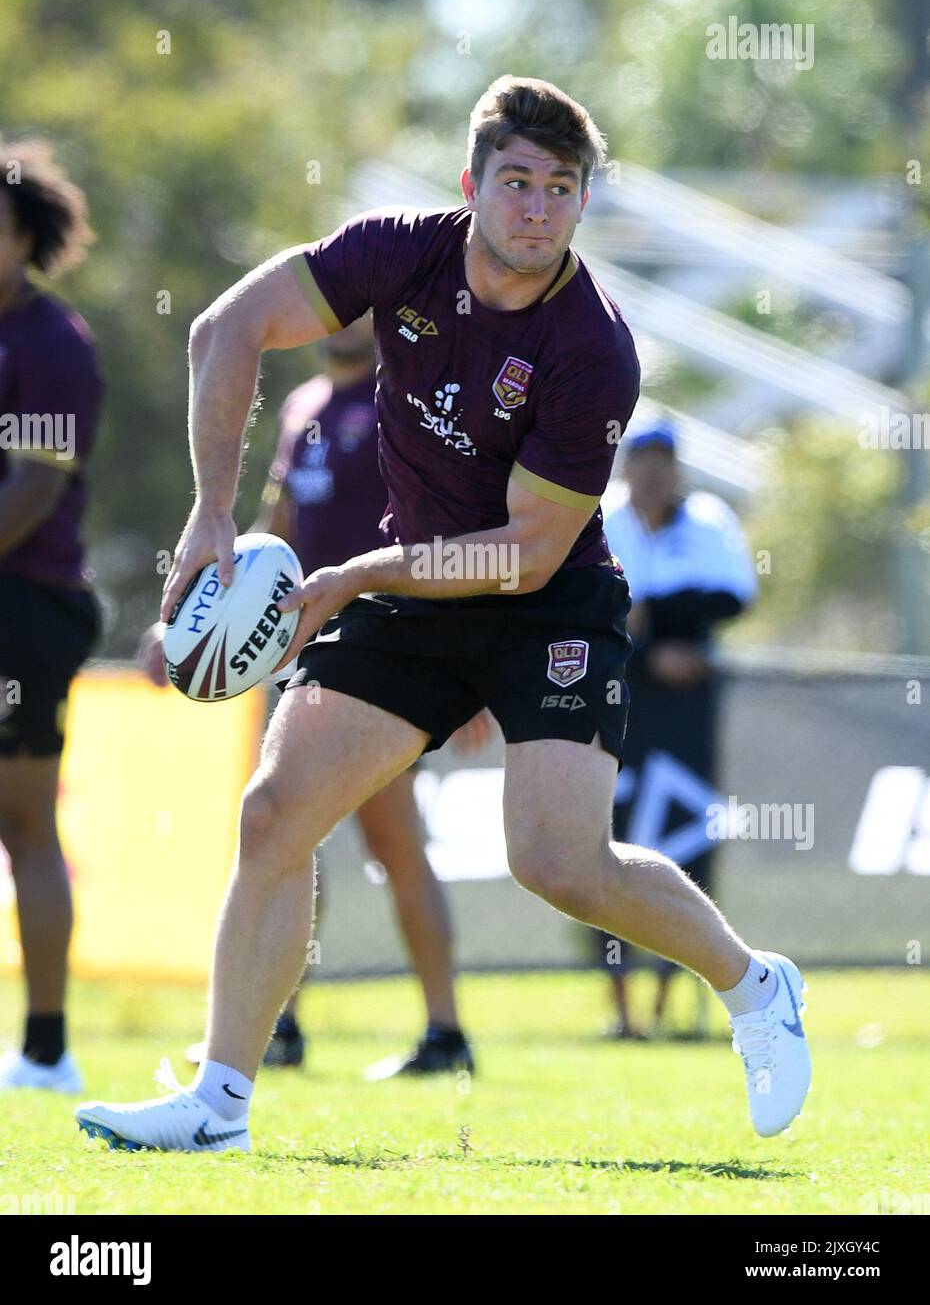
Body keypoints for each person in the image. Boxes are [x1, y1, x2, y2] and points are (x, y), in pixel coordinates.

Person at [75, 76, 810, 1152]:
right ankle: (217, 1104)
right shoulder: (400, 252)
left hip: (546, 604)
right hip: (413, 593)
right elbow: (224, 329)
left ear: (581, 206)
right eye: (516, 182)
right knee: (275, 815)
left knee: (561, 863)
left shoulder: (593, 347)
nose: (537, 208)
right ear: (472, 186)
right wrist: (212, 513)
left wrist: (357, 575)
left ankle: (755, 985)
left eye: (562, 188)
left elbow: (525, 552)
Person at [138, 313, 480, 1077]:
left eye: (360, 304)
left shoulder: (406, 401)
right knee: (283, 830)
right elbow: (271, 529)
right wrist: (188, 619)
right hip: (291, 652)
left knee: (394, 847)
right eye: (336, 304)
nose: (344, 318)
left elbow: (447, 529)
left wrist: (472, 666)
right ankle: (278, 1025)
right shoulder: (303, 409)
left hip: (381, 650)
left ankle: (446, 1032)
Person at [595, 422, 757, 1040]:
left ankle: (667, 1003)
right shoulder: (606, 516)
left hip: (687, 705)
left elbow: (731, 595)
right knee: (608, 838)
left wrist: (661, 626)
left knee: (684, 838)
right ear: (626, 465)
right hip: (619, 699)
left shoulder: (707, 519)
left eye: (664, 461)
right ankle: (621, 1010)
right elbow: (612, 606)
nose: (653, 474)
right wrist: (655, 641)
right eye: (643, 460)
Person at [0, 139, 103, 1094]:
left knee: (24, 824)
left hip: (22, 610)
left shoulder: (51, 345)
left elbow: (31, 493)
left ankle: (45, 1048)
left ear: (23, 236)